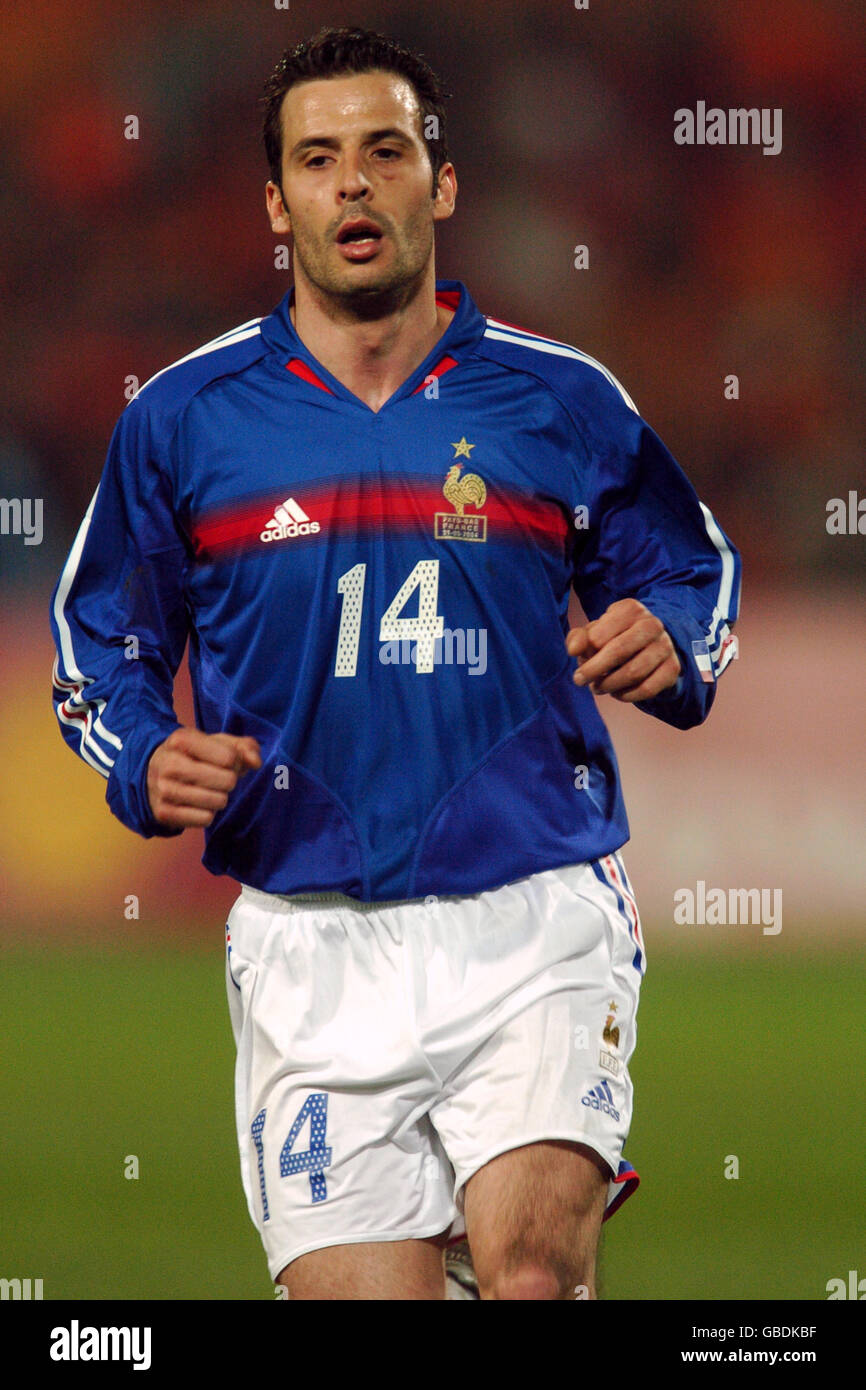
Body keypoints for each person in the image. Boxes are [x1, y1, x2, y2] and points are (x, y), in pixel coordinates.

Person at [49, 25, 741, 1300]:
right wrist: (143, 751)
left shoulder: (559, 399)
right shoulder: (184, 421)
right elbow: (103, 645)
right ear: (277, 200)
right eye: (318, 159)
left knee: (530, 1271)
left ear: (443, 180)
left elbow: (687, 569)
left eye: (385, 150)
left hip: (532, 908)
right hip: (308, 947)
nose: (353, 182)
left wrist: (669, 634)